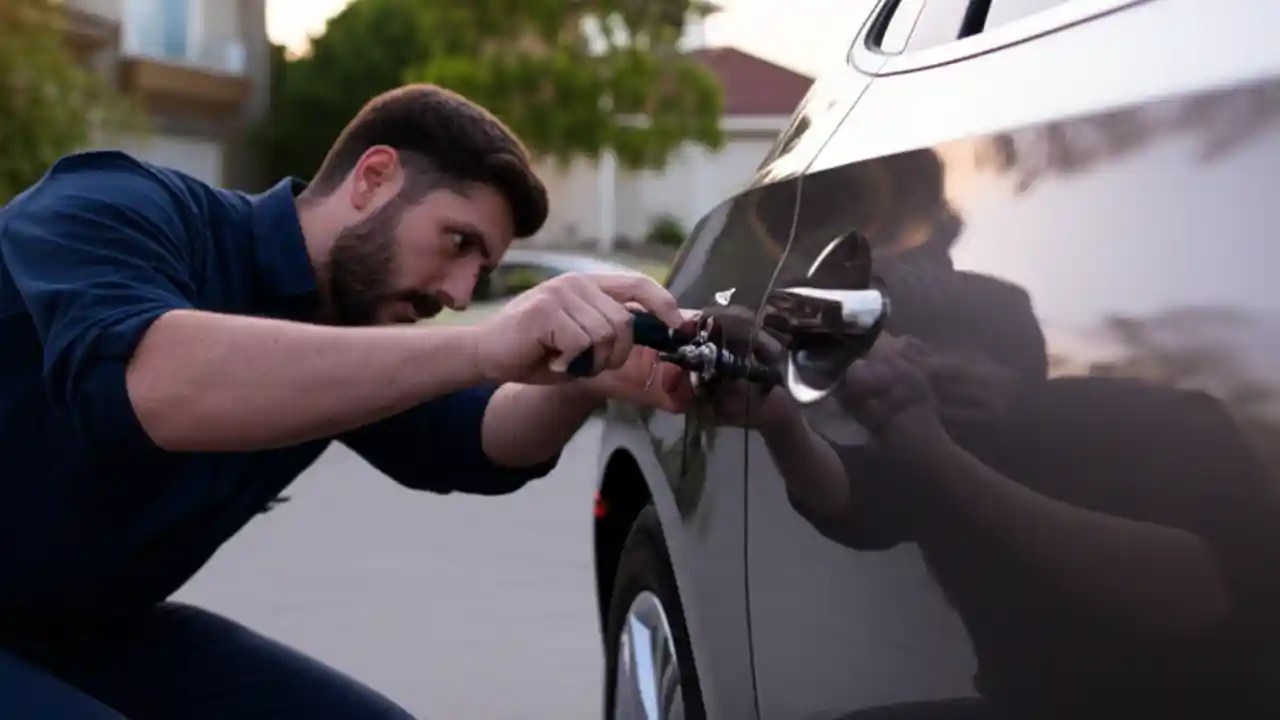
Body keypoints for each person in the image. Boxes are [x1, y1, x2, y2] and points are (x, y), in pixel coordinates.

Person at [0, 84, 693, 719]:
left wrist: (584, 378)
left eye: (480, 270)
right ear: (374, 177)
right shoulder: (112, 205)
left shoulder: (352, 326)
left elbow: (482, 439)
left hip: (87, 633)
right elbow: (150, 383)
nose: (457, 292)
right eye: (457, 243)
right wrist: (484, 345)